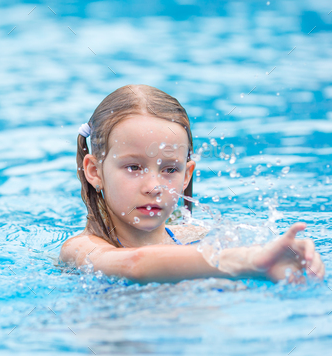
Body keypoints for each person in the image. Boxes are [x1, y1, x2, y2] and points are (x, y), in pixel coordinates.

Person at [59, 84, 325, 284]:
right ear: (94, 171)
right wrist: (249, 261)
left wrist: (285, 257)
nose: (154, 186)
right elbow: (133, 264)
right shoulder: (81, 248)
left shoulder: (194, 236)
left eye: (170, 169)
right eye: (134, 167)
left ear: (187, 175)